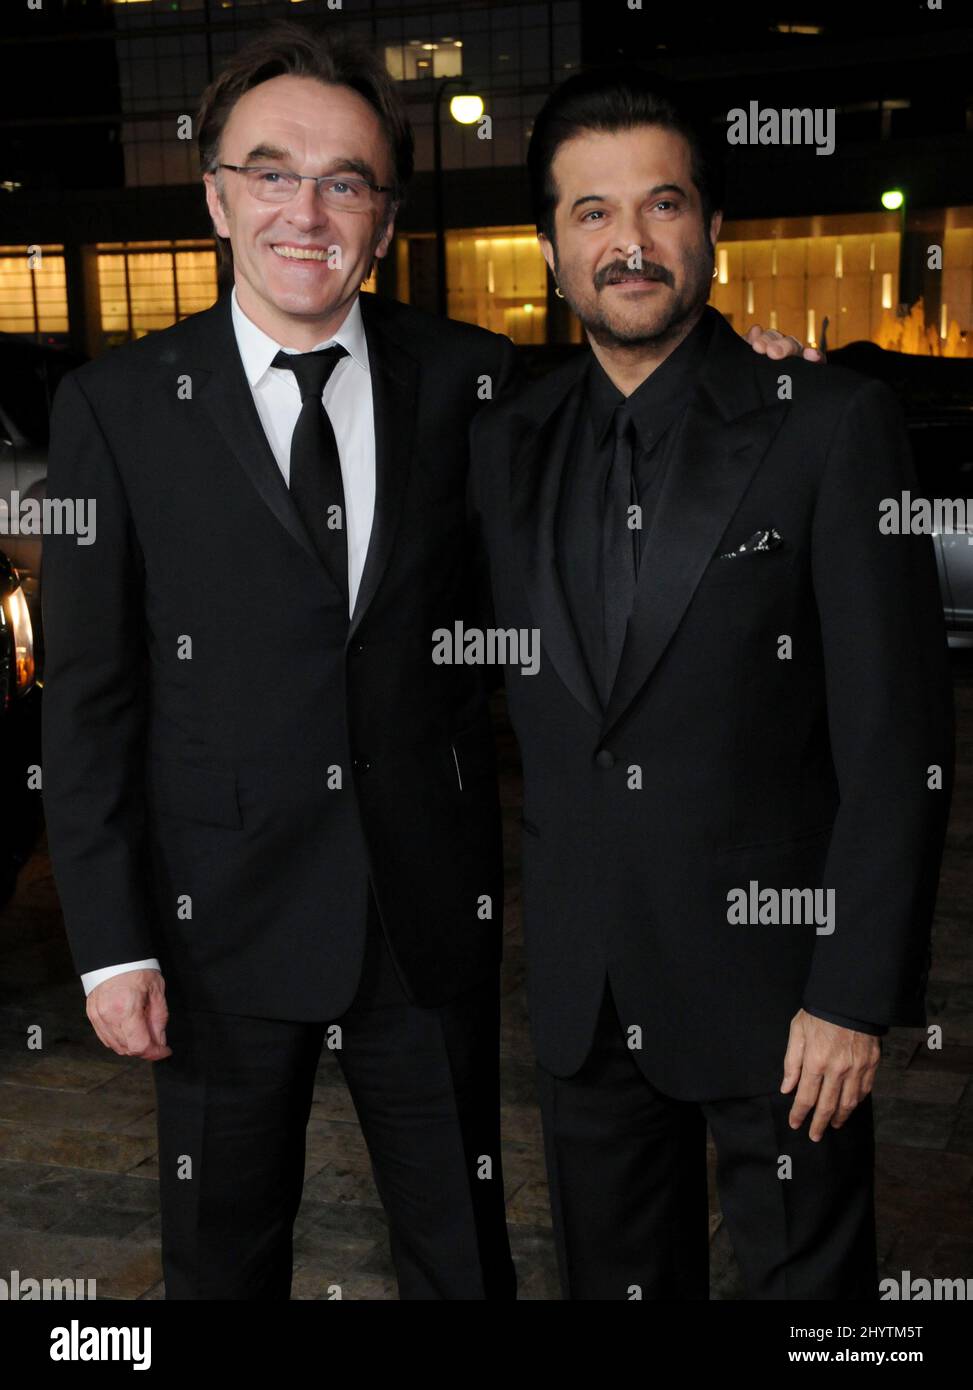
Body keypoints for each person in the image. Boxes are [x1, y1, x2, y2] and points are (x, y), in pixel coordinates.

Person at [41, 22, 810, 1301]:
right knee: (222, 1261)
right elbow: (89, 699)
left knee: (464, 1260)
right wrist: (112, 942)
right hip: (213, 933)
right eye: (272, 172)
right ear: (218, 195)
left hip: (424, 922)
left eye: (345, 181)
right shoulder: (116, 408)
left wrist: (755, 372)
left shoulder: (478, 384)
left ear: (386, 219)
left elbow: (642, 400)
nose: (307, 210)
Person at [467, 65, 953, 1300]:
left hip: (782, 1002)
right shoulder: (501, 442)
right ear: (548, 247)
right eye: (591, 213)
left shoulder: (830, 423)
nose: (628, 242)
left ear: (711, 226)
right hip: (585, 993)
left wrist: (851, 994)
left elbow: (896, 738)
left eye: (661, 204)